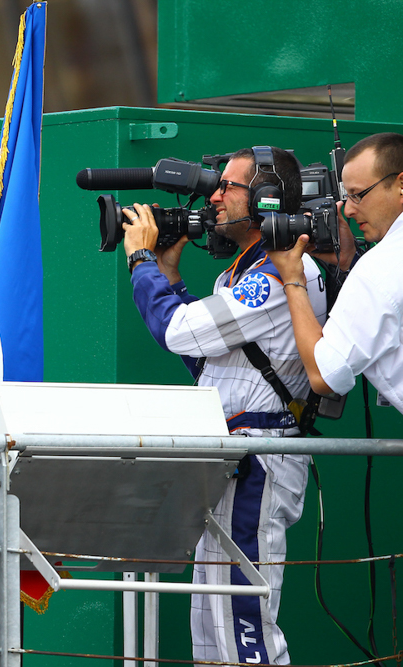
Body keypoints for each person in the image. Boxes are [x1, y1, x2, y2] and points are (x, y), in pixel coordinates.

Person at [121, 146, 326, 664]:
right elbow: (208, 364)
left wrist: (141, 258)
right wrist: (168, 274)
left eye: (227, 186)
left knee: (244, 617)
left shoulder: (279, 271)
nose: (212, 196)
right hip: (231, 454)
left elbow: (177, 330)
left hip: (260, 454)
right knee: (213, 625)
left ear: (266, 198)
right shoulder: (238, 273)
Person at [268, 132, 403, 413]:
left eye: (357, 195)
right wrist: (350, 262)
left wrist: (293, 280)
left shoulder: (381, 266)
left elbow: (324, 376)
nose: (349, 210)